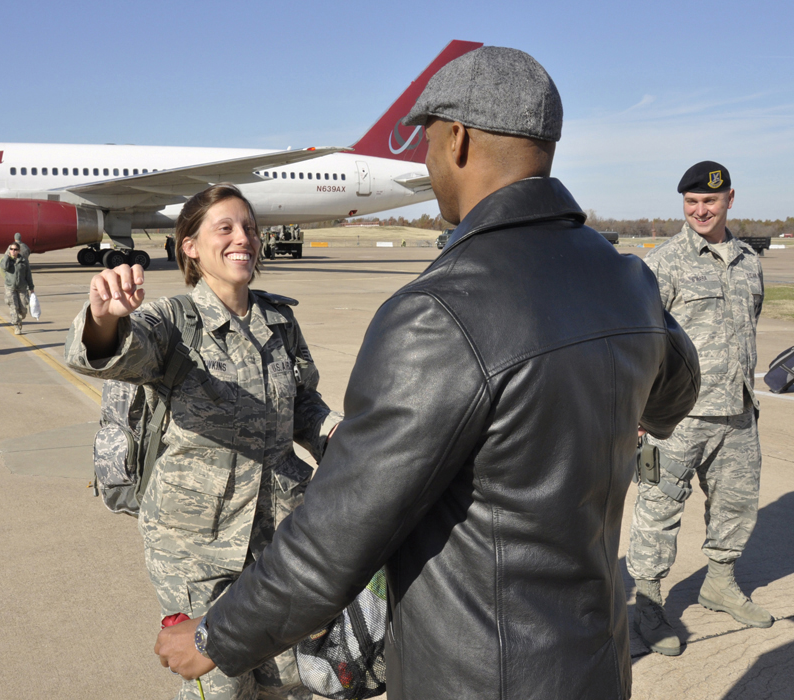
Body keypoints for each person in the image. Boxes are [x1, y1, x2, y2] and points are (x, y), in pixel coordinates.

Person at [154, 47, 701, 700]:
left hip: (479, 676)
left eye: (429, 141)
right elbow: (675, 393)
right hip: (595, 664)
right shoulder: (625, 279)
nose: (427, 160)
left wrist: (218, 637)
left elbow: (339, 533)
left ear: (459, 139)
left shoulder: (441, 310)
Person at [65, 184, 341, 700]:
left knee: (289, 680)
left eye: (251, 229)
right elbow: (115, 353)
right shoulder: (172, 322)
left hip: (277, 536)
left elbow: (303, 405)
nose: (245, 239)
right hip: (193, 547)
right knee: (222, 687)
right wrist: (106, 317)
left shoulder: (279, 320)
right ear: (188, 246)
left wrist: (343, 437)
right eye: (226, 228)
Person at [627, 162, 773, 656]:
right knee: (659, 508)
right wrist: (639, 416)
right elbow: (640, 340)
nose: (700, 210)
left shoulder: (748, 260)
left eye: (709, 202)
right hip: (676, 418)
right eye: (691, 203)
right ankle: (647, 601)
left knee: (735, 505)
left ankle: (720, 583)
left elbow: (746, 326)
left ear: (730, 199)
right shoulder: (663, 263)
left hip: (737, 414)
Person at [0, 243, 34, 335]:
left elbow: (28, 275)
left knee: (23, 310)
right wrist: (7, 256)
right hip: (10, 288)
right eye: (11, 249)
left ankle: (20, 319)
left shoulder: (24, 261)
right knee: (14, 307)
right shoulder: (6, 260)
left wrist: (31, 287)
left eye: (15, 249)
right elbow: (4, 267)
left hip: (22, 287)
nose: (13, 251)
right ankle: (16, 326)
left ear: (18, 250)